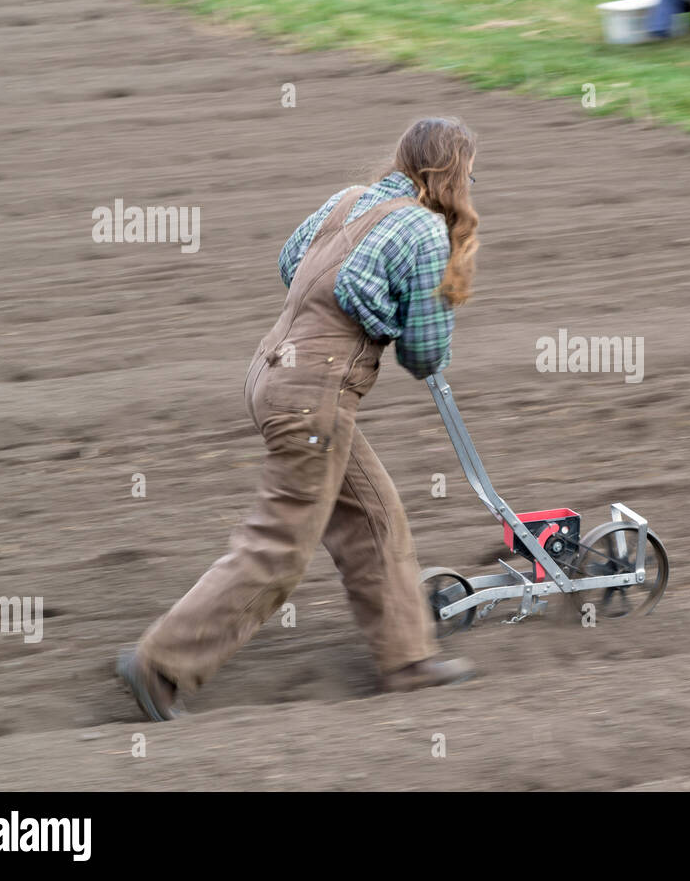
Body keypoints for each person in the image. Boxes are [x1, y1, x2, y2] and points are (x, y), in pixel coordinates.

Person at [117, 117, 480, 722]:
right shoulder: (422, 230)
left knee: (372, 513)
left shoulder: (348, 201)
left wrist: (351, 304)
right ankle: (160, 665)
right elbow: (423, 351)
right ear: (452, 172)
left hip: (270, 370)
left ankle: (409, 659)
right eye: (470, 170)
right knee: (281, 545)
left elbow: (291, 260)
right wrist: (387, 321)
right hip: (314, 393)